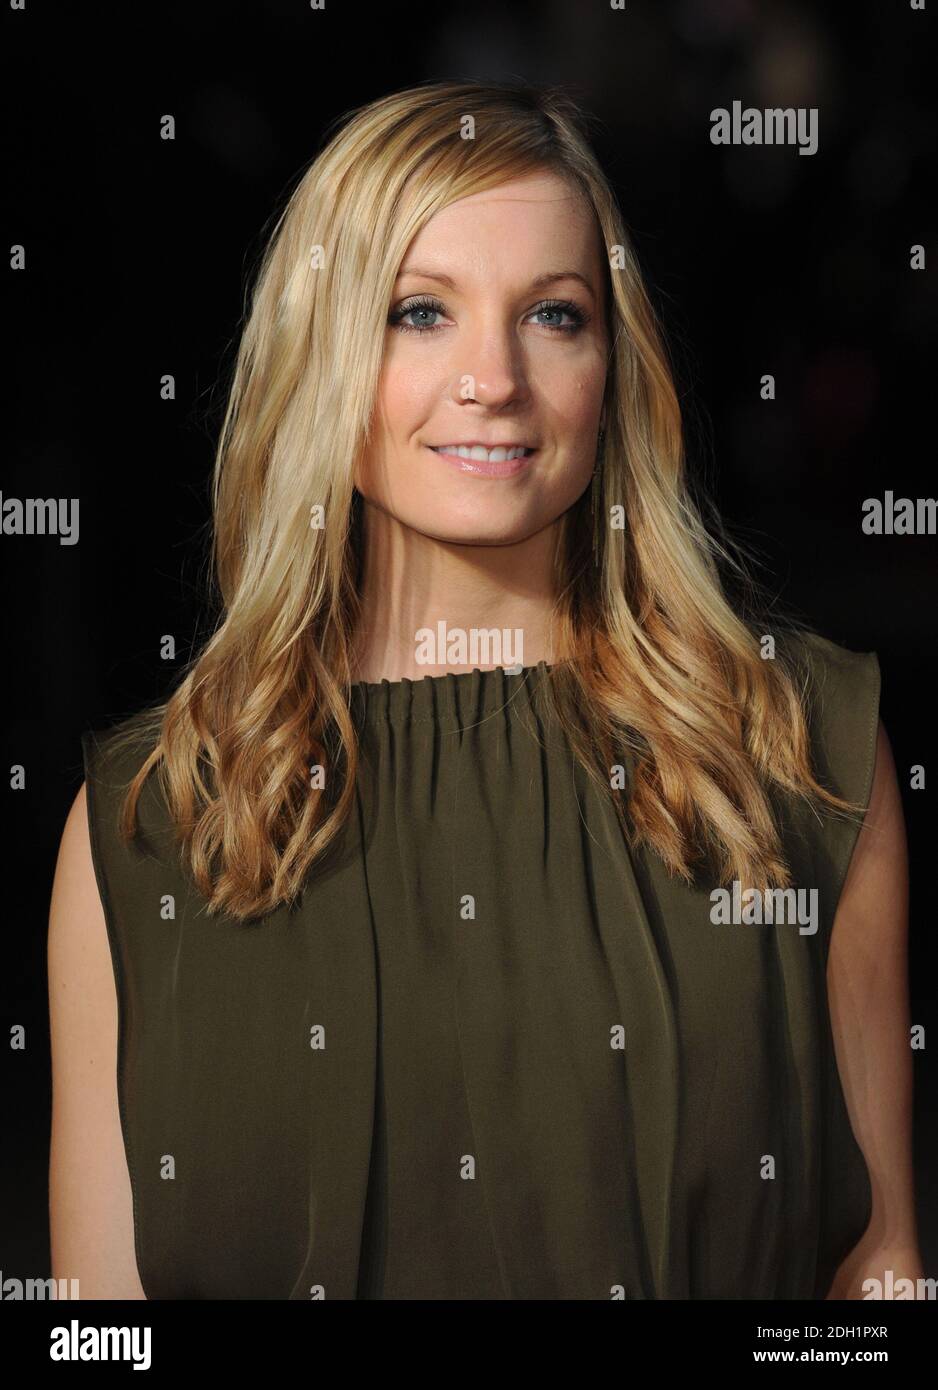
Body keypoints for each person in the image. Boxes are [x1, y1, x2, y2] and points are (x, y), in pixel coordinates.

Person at [48, 79, 922, 1300]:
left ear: (612, 362)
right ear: (324, 350)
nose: (492, 379)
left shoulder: (798, 746)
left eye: (553, 316)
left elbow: (876, 1272)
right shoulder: (148, 821)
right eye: (418, 311)